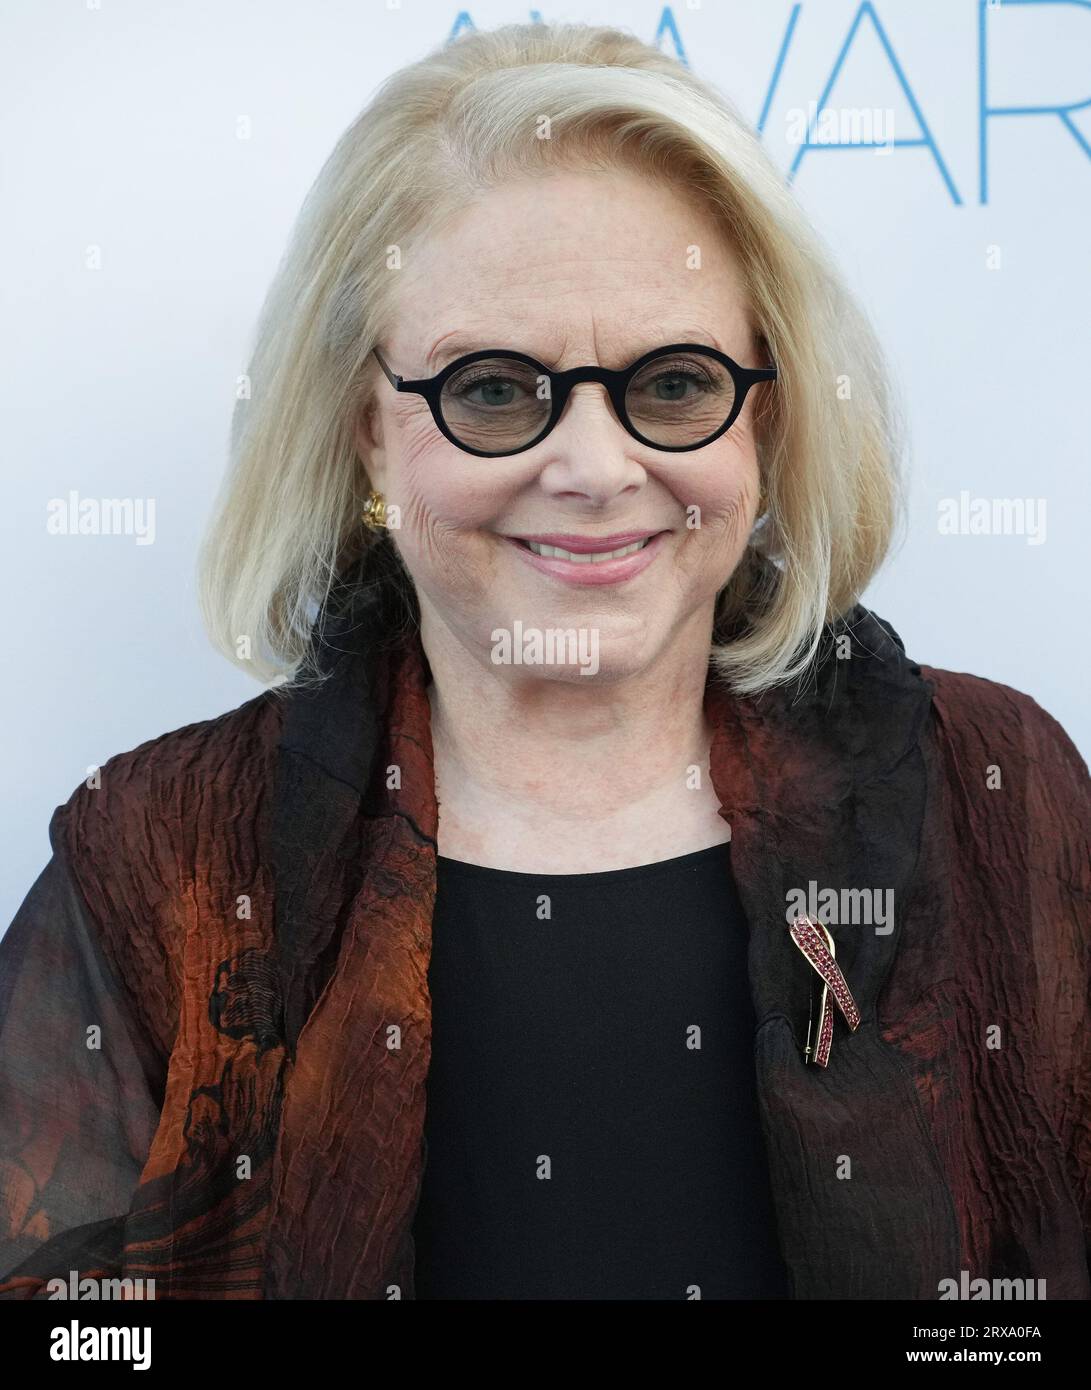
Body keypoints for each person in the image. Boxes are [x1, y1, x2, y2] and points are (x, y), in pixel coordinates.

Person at [1, 21, 1087, 1301]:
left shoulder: (994, 788)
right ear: (365, 431)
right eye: (497, 389)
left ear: (767, 418)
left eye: (674, 382)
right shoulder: (158, 856)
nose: (590, 468)